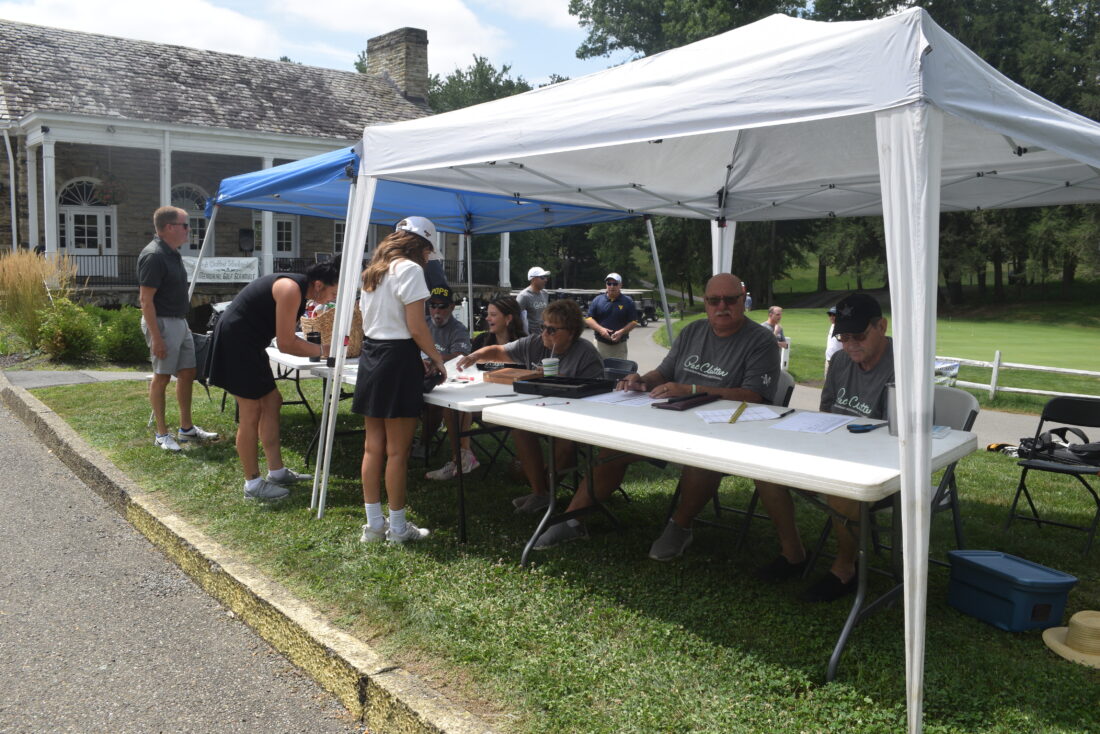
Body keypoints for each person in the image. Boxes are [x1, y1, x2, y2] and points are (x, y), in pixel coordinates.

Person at [533, 274, 780, 558]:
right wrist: (643, 380)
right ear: (706, 303)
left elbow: (754, 396)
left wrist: (691, 388)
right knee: (611, 451)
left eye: (730, 300)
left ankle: (680, 526)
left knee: (703, 459)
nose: (721, 306)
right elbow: (664, 372)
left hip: (722, 428)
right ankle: (573, 520)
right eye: (713, 300)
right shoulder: (692, 332)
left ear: (743, 299)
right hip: (670, 416)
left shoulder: (761, 340)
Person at [754, 293, 893, 602]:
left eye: (858, 335)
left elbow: (898, 436)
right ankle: (792, 552)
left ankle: (846, 568)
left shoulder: (904, 366)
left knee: (841, 491)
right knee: (765, 472)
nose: (850, 344)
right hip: (835, 449)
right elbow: (828, 410)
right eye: (843, 337)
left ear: (881, 326)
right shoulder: (841, 360)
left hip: (880, 463)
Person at [206, 258, 339, 502]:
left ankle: (276, 472)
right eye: (333, 292)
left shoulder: (299, 290)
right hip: (236, 343)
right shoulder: (290, 289)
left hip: (250, 344)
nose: (332, 298)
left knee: (272, 401)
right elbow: (287, 343)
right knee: (251, 410)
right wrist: (324, 350)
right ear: (319, 285)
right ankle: (253, 485)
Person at [456, 299, 603, 514]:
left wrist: (562, 380)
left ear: (571, 332)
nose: (544, 333)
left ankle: (545, 490)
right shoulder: (534, 343)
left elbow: (598, 391)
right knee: (519, 428)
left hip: (575, 415)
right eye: (543, 327)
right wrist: (475, 355)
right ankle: (540, 493)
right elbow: (499, 351)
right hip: (540, 410)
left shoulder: (586, 353)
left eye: (552, 330)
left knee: (565, 444)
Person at [353, 216, 447, 544]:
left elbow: (373, 321)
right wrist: (436, 359)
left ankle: (374, 526)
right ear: (420, 246)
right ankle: (397, 527)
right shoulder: (409, 269)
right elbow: (416, 327)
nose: (427, 257)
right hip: (397, 359)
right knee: (397, 452)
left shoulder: (373, 271)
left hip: (372, 356)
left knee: (372, 448)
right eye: (427, 251)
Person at [138, 206, 218, 452]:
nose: (188, 230)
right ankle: (162, 434)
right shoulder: (154, 255)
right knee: (161, 377)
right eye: (185, 225)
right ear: (170, 227)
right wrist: (157, 337)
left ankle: (186, 429)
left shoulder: (171, 253)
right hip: (161, 322)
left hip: (179, 321)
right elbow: (145, 301)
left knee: (187, 372)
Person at [421, 285, 475, 480]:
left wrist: (435, 360)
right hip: (418, 376)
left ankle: (423, 444)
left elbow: (460, 355)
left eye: (442, 306)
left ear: (452, 307)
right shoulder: (421, 323)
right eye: (432, 305)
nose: (436, 311)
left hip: (446, 381)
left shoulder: (458, 329)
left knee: (437, 405)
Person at [584, 272, 638, 360]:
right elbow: (589, 319)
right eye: (609, 283)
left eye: (615, 284)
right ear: (606, 285)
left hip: (619, 346)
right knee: (599, 371)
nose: (612, 286)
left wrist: (621, 332)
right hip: (600, 344)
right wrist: (601, 330)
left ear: (620, 285)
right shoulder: (598, 300)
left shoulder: (628, 301)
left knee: (619, 372)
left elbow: (634, 321)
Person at [517, 266, 551, 333]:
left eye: (546, 277)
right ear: (533, 279)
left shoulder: (545, 294)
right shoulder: (524, 296)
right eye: (542, 277)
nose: (545, 280)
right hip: (531, 338)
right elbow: (516, 317)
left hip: (544, 334)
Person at [824, 305, 843, 377]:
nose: (831, 317)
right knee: (827, 384)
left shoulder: (842, 327)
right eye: (830, 315)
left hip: (838, 361)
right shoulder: (832, 326)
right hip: (828, 360)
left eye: (834, 315)